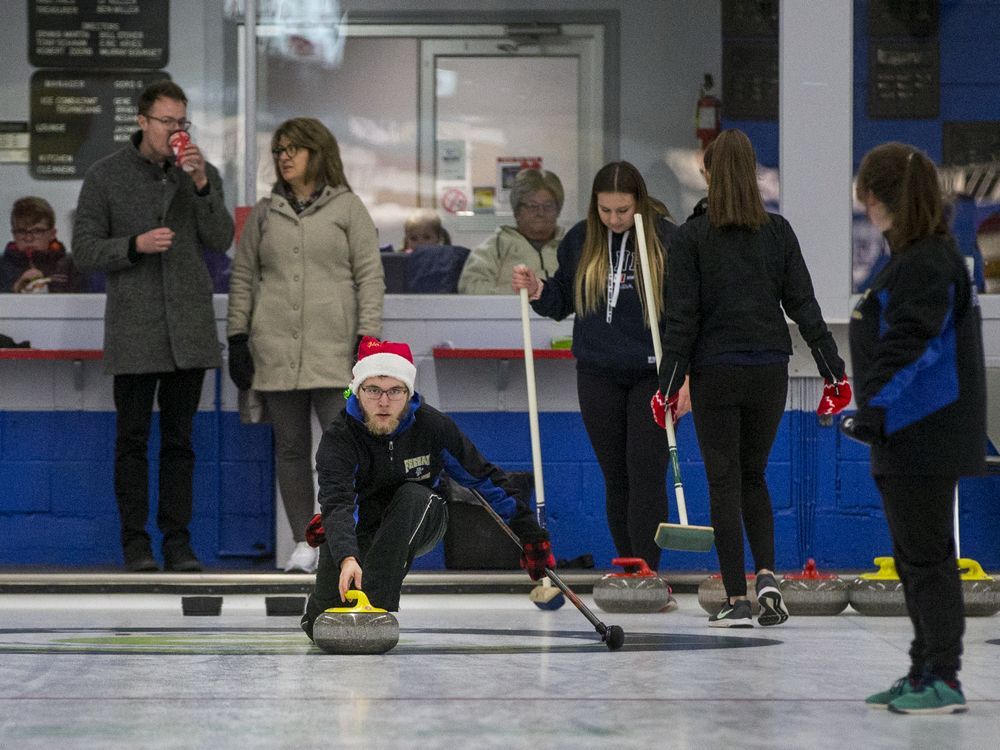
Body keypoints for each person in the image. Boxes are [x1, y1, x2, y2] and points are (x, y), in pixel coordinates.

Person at [654, 129, 850, 627]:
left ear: (707, 173)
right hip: (769, 371)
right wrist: (834, 373)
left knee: (724, 481)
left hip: (716, 371)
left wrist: (666, 385)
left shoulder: (691, 237)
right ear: (753, 173)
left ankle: (736, 595)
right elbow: (804, 307)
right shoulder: (778, 232)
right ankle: (767, 575)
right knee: (754, 476)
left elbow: (682, 320)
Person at [844, 143, 986, 714]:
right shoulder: (912, 257)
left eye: (865, 202)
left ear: (877, 199)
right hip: (904, 433)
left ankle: (944, 678)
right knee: (914, 559)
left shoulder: (927, 261)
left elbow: (914, 346)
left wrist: (873, 408)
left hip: (923, 431)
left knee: (927, 559)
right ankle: (922, 667)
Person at [72, 80, 234, 572]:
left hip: (188, 329)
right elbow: (83, 249)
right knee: (133, 440)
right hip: (135, 329)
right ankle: (136, 544)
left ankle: (179, 543)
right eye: (168, 122)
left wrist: (203, 186)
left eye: (183, 122)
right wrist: (133, 245)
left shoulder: (200, 175)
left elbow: (221, 236)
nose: (176, 131)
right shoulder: (105, 177)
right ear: (142, 122)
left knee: (181, 443)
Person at [301, 336, 554, 637]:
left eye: (395, 391)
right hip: (362, 520)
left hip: (421, 517)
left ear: (408, 393)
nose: (384, 402)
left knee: (413, 495)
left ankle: (376, 607)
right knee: (318, 624)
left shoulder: (433, 427)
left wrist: (531, 536)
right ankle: (335, 592)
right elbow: (338, 501)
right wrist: (346, 553)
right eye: (373, 390)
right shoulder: (340, 437)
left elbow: (486, 479)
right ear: (357, 391)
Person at [512, 161, 687, 572]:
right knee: (616, 475)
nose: (614, 219)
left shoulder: (666, 239)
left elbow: (686, 312)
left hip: (652, 372)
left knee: (645, 473)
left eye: (622, 211)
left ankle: (648, 571)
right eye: (605, 211)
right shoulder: (581, 239)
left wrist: (685, 374)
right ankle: (630, 568)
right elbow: (561, 300)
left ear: (638, 204)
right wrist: (538, 289)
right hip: (597, 372)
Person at [227, 117, 384, 574]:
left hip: (335, 352)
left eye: (295, 148)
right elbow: (243, 278)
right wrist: (237, 335)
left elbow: (369, 276)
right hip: (274, 348)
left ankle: (343, 541)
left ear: (319, 153)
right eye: (279, 150)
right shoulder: (265, 212)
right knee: (290, 449)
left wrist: (367, 336)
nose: (285, 157)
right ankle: (303, 541)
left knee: (343, 450)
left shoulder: (348, 208)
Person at [459, 168, 566, 294]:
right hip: (507, 313)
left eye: (548, 206)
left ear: (558, 210)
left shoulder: (572, 246)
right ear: (517, 211)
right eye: (532, 206)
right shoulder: (495, 246)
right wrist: (524, 293)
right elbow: (470, 287)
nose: (540, 213)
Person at [2, 197, 82, 293]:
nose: (29, 238)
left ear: (52, 234)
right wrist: (14, 289)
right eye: (21, 231)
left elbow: (85, 302)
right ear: (13, 234)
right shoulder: (2, 267)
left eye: (37, 231)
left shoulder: (71, 266)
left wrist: (46, 287)